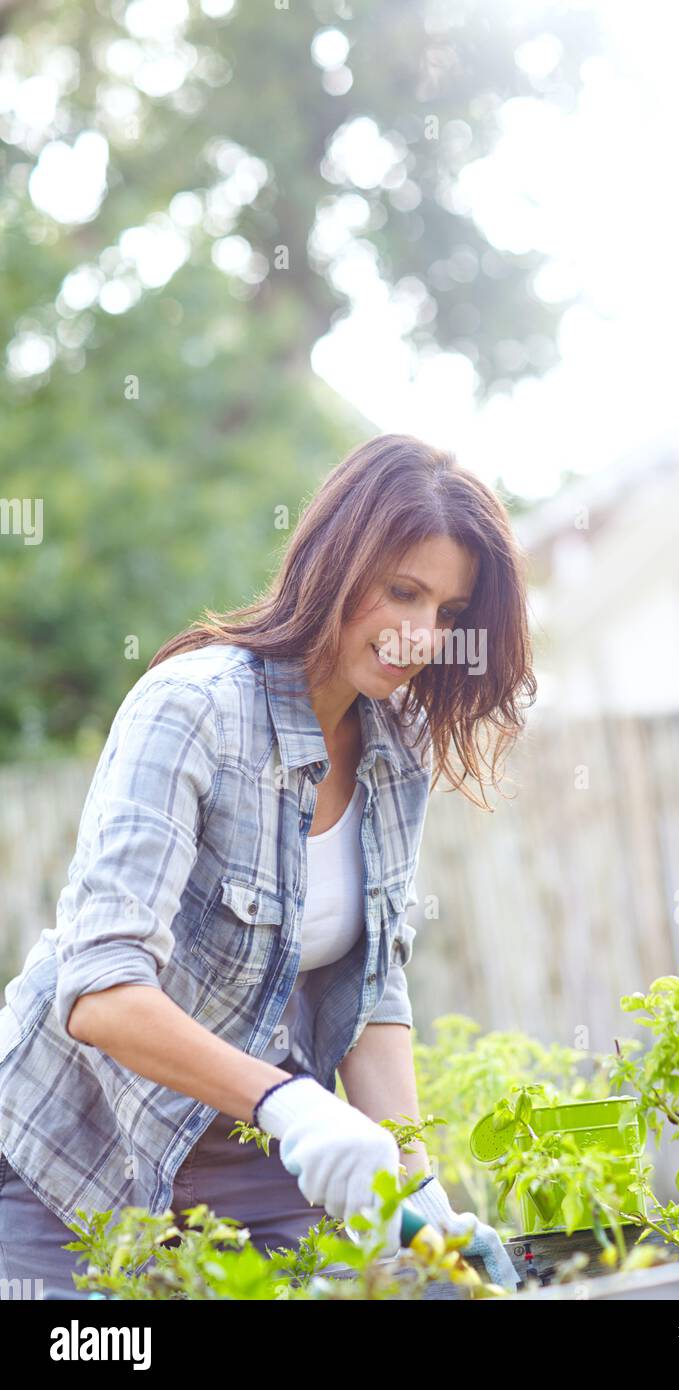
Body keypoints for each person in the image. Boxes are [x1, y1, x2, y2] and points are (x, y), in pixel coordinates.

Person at [0, 433, 536, 1296]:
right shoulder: (194, 708)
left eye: (445, 610)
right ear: (336, 559)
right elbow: (100, 987)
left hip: (243, 1168)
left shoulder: (397, 747)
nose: (420, 634)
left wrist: (415, 1184)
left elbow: (373, 986)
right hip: (69, 1163)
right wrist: (292, 1107)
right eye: (402, 591)